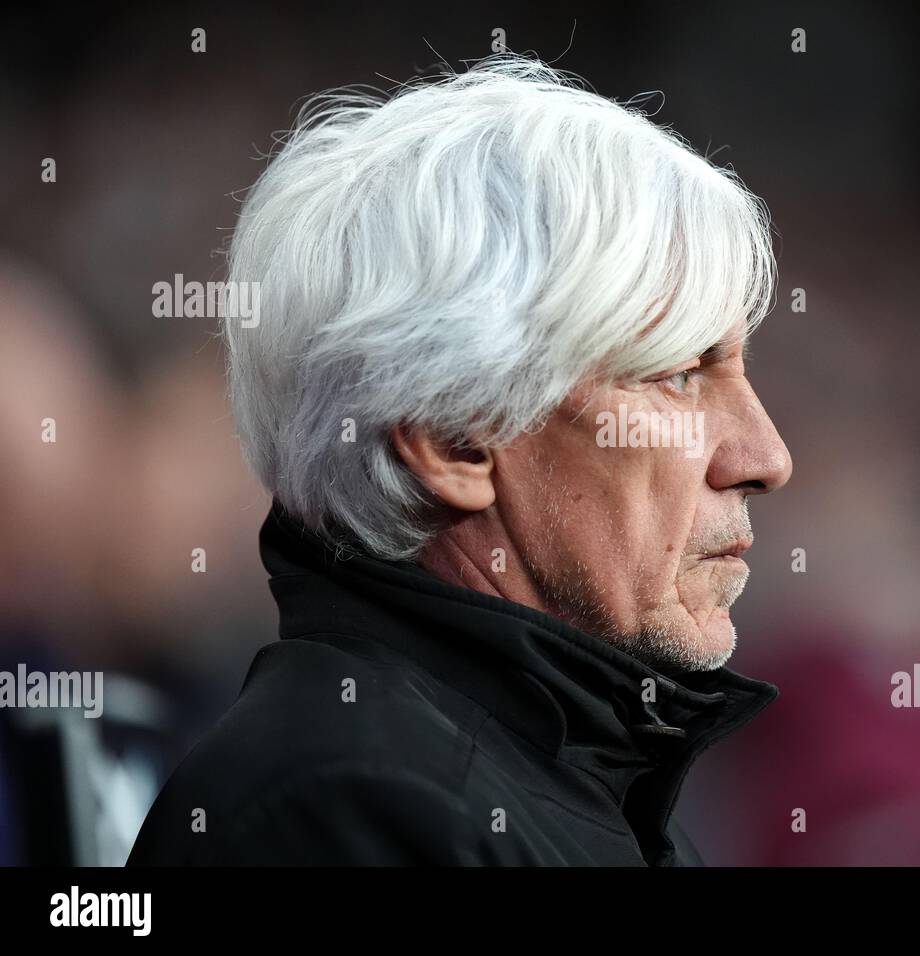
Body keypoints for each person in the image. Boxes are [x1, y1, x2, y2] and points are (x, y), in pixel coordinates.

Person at [127, 55, 792, 866]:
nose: (765, 456)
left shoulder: (574, 779)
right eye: (679, 373)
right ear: (454, 443)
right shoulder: (344, 811)